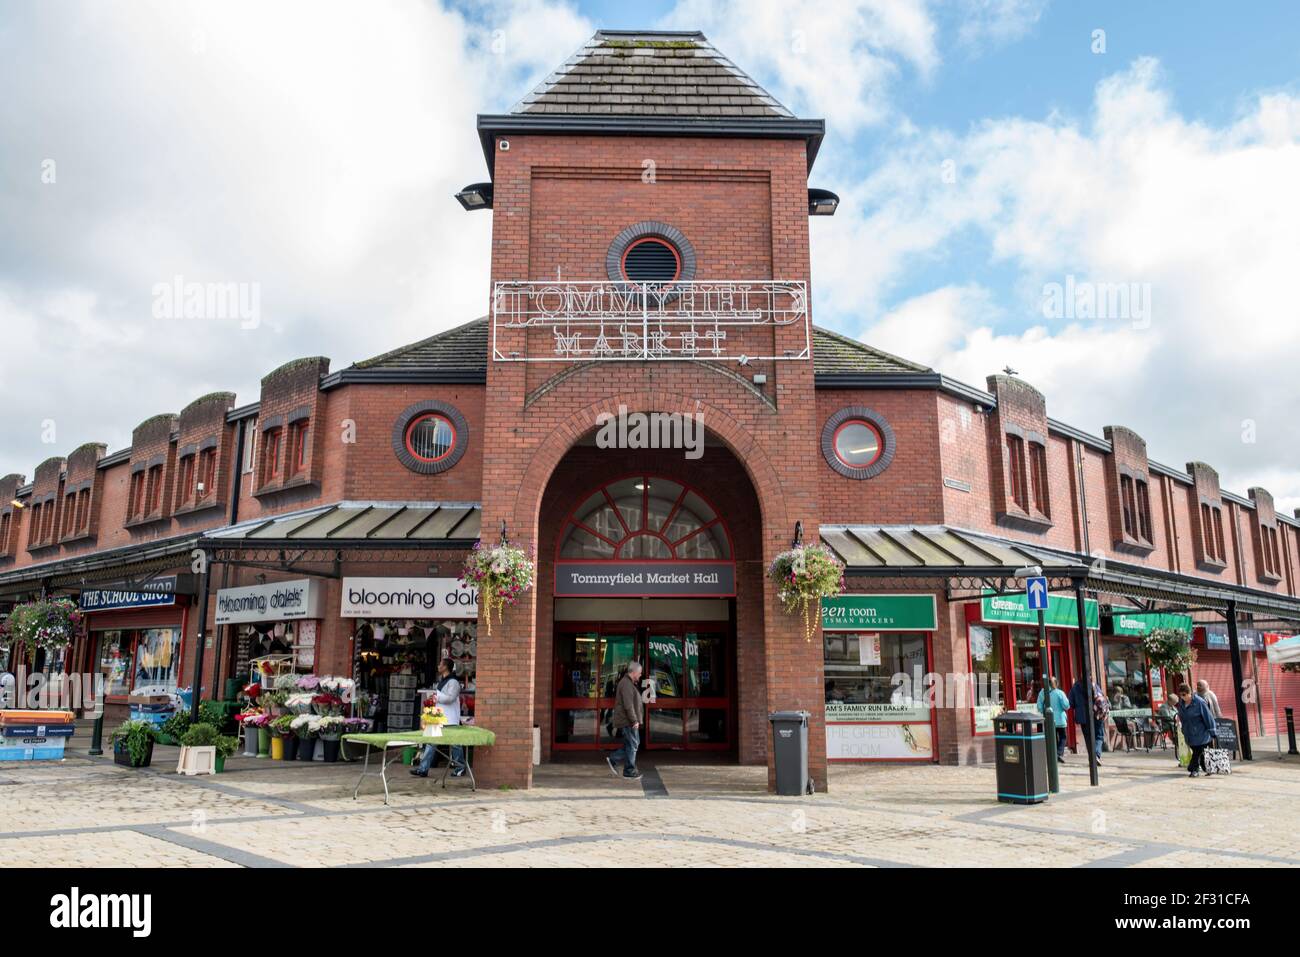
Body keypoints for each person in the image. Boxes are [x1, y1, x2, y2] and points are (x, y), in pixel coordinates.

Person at [411, 658, 465, 778]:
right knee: (430, 743)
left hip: (450, 719)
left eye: (440, 664)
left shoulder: (453, 682)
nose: (438, 666)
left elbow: (451, 698)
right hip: (439, 717)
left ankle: (460, 767)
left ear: (446, 667)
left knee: (455, 744)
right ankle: (423, 769)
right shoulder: (444, 680)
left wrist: (437, 698)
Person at [606, 660, 644, 781]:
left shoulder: (628, 683)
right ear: (634, 672)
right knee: (633, 745)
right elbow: (628, 705)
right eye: (640, 673)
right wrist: (634, 721)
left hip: (628, 720)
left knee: (631, 744)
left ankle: (616, 761)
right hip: (628, 721)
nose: (640, 675)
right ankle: (628, 769)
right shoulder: (626, 684)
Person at [1175, 684, 1215, 777]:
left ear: (1190, 693)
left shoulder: (1199, 702)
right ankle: (1206, 768)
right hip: (1189, 733)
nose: (1183, 697)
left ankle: (1193, 768)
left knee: (1198, 751)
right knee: (1198, 751)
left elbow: (1208, 717)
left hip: (1201, 732)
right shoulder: (1181, 704)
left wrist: (1212, 731)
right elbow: (1181, 716)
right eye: (1181, 695)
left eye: (1184, 694)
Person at [1068, 677, 1107, 765]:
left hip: (1083, 717)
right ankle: (1096, 754)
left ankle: (1092, 759)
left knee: (1088, 738)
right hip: (1096, 714)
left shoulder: (1075, 687)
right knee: (1099, 736)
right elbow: (1101, 698)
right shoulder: (1094, 685)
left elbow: (1070, 703)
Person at [1036, 676, 1071, 760]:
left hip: (1049, 720)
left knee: (1053, 738)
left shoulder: (1042, 693)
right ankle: (1059, 753)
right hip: (1060, 720)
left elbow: (1039, 707)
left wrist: (1044, 712)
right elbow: (1066, 706)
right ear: (1056, 684)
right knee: (1063, 737)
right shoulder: (1060, 693)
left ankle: (1053, 755)